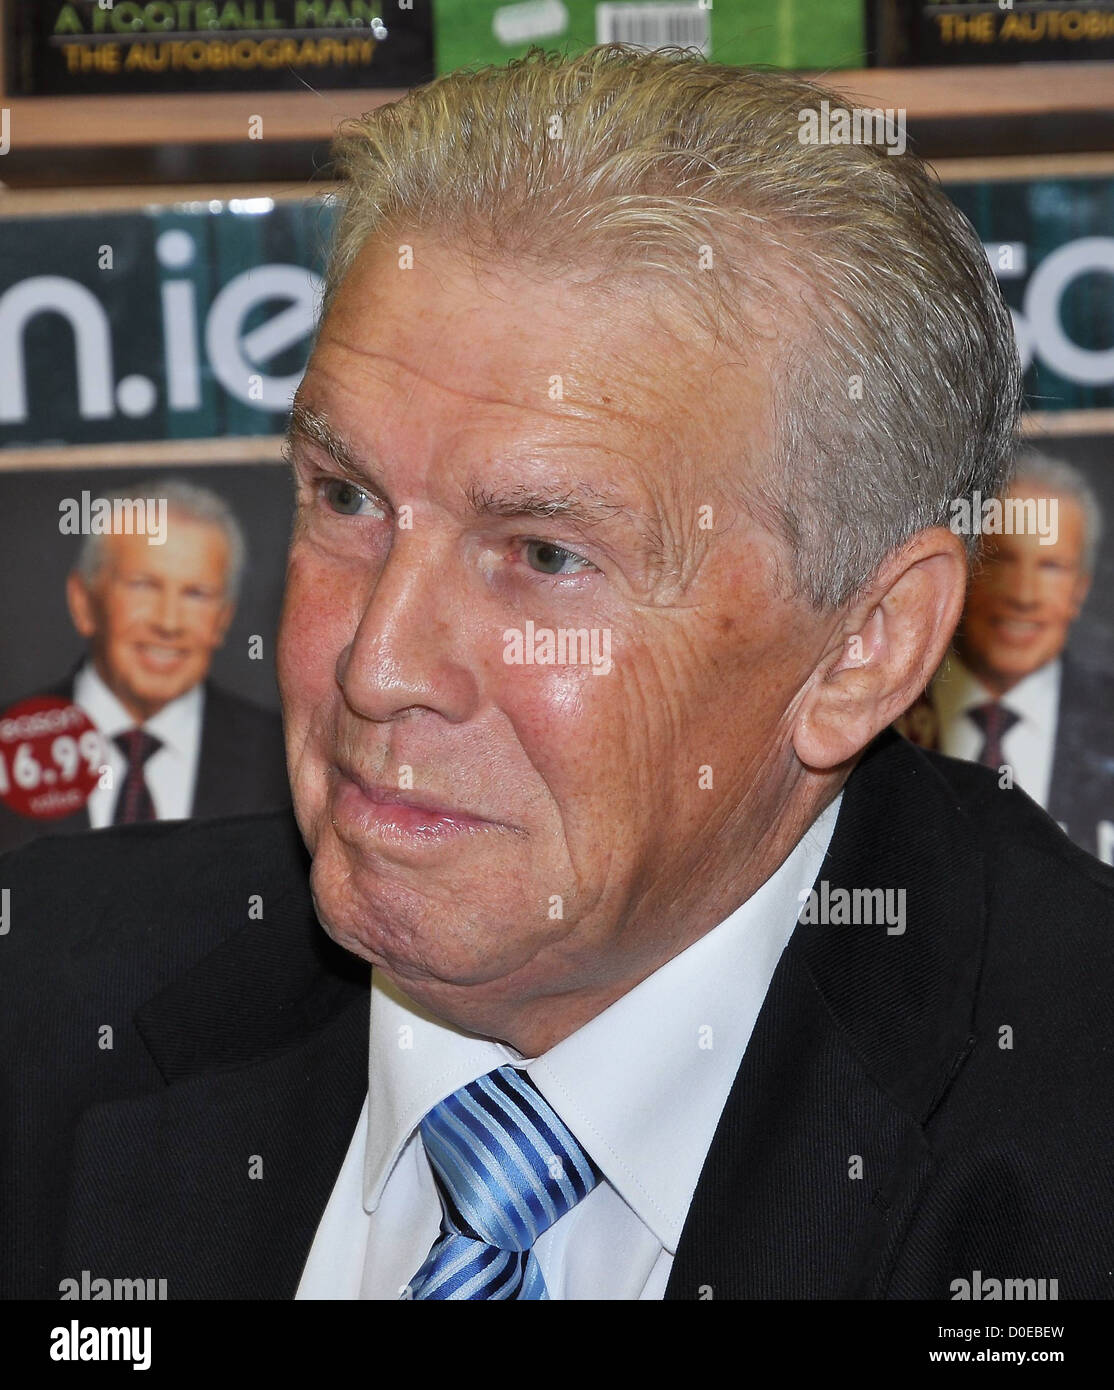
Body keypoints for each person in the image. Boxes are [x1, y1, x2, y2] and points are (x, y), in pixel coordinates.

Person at [2, 46, 1112, 1302]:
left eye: (543, 552)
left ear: (865, 646)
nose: (375, 665)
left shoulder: (1070, 1158)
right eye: (347, 496)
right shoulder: (43, 991)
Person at [0, 478, 290, 853]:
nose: (169, 623)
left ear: (222, 619)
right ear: (83, 602)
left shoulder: (283, 762)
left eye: (196, 594)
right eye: (143, 586)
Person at [898, 452, 1114, 863]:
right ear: (959, 566)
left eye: (1051, 567)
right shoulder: (882, 713)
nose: (1023, 596)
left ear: (1080, 591)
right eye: (1001, 559)